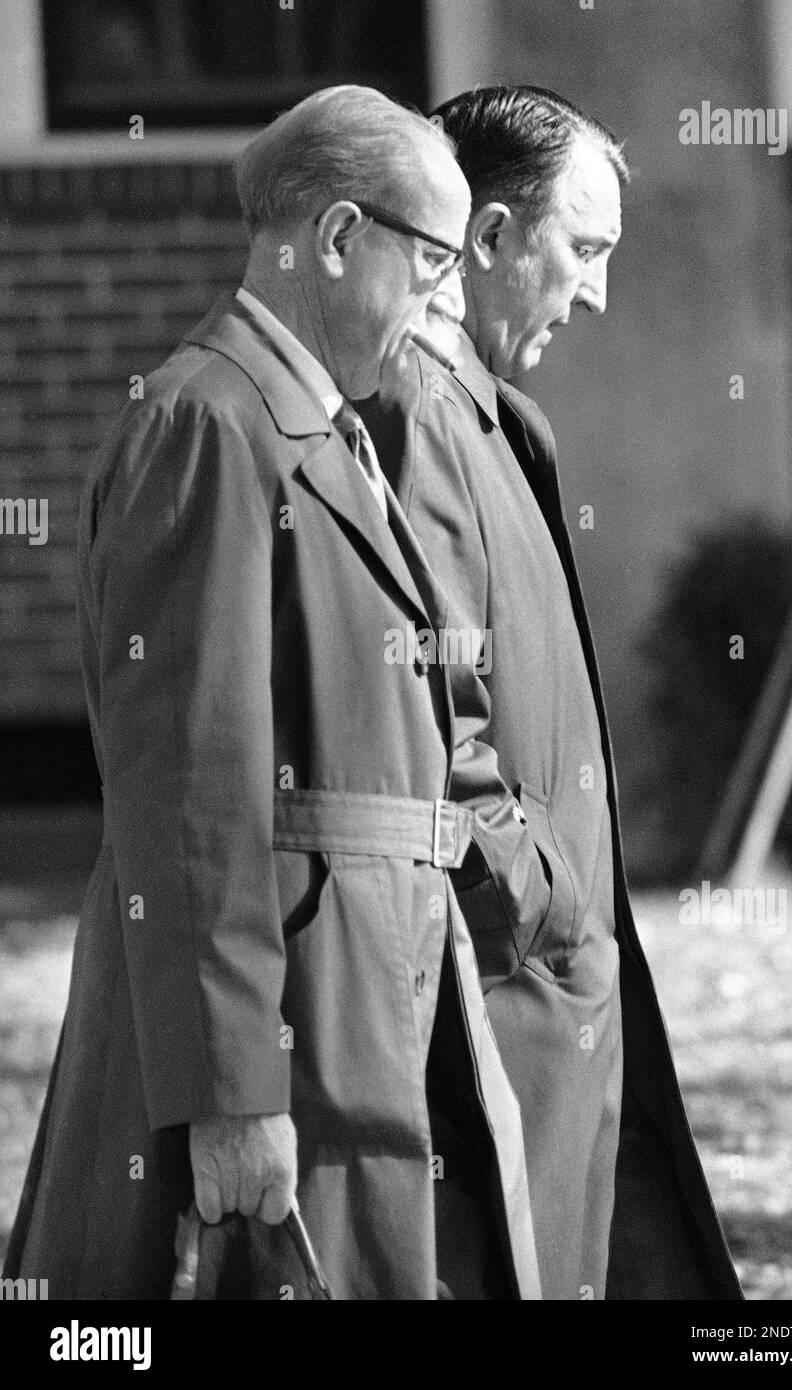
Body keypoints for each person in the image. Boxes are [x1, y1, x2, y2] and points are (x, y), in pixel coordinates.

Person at [3, 86, 543, 1301]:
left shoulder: (312, 423)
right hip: (289, 1015)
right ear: (341, 238)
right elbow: (191, 789)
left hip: (359, 993)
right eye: (437, 258)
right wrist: (232, 1093)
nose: (453, 296)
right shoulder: (207, 425)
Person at [361, 85, 743, 1300]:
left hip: (550, 991)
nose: (596, 295)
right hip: (500, 1009)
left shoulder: (485, 412)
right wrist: (539, 902)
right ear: (485, 239)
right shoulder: (415, 414)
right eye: (582, 251)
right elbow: (424, 707)